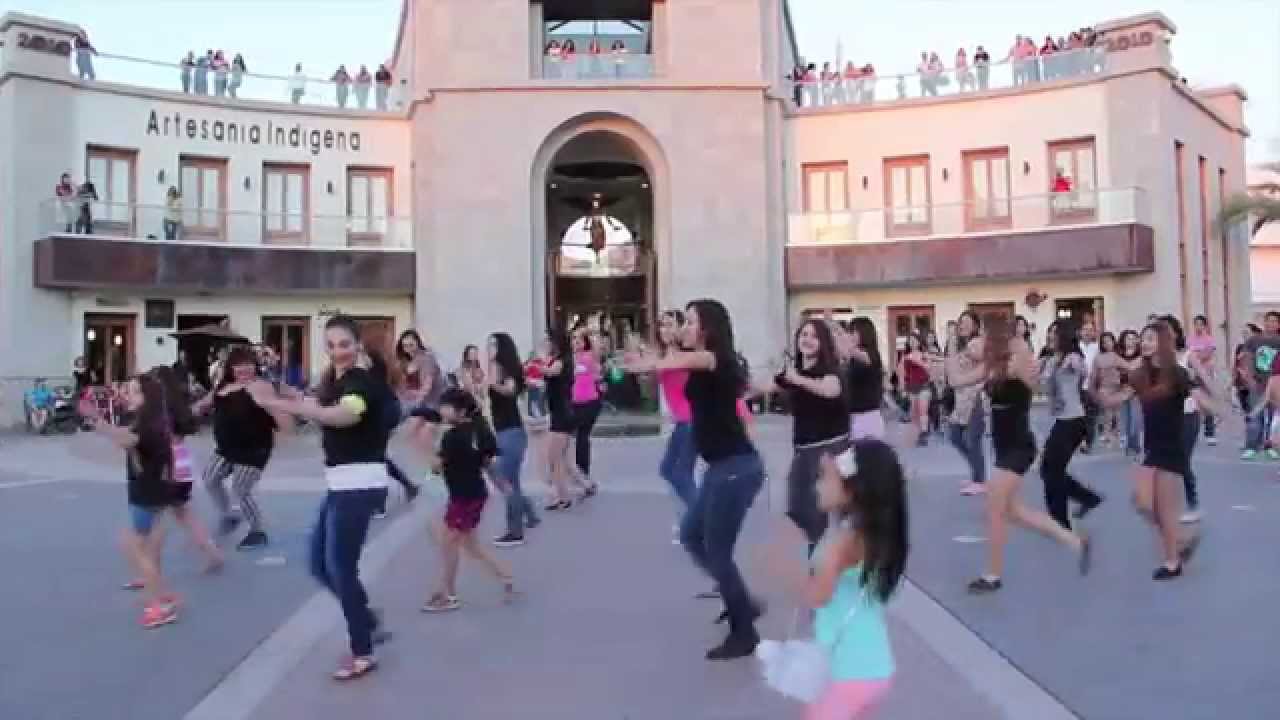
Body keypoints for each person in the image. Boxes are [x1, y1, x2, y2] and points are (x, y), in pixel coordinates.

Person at [254, 315, 393, 680]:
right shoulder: (337, 380)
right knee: (319, 564)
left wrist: (287, 404)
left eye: (344, 344)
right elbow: (311, 404)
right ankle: (365, 619)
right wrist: (275, 392)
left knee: (341, 568)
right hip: (340, 484)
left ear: (357, 345)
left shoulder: (360, 382)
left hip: (360, 484)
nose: (337, 351)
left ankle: (363, 650)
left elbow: (343, 415)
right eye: (330, 345)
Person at [627, 299, 766, 660]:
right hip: (721, 468)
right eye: (685, 322)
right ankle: (743, 602)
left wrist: (650, 362)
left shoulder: (714, 358)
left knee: (718, 553)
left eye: (690, 322)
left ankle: (744, 631)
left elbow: (686, 361)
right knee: (691, 534)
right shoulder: (701, 362)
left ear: (708, 328)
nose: (685, 328)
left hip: (736, 469)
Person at [769, 441, 907, 719]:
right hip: (872, 664)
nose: (817, 486)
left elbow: (817, 596)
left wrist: (787, 568)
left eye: (825, 477)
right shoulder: (869, 534)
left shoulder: (843, 542)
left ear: (851, 489)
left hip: (848, 670)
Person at [969, 317, 1092, 594]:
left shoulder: (1019, 355)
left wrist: (1007, 363)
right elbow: (961, 376)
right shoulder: (996, 363)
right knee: (1014, 512)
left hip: (1019, 445)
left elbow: (1028, 379)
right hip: (1003, 445)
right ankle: (1076, 542)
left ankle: (992, 575)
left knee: (995, 508)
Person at [1098, 321, 1218, 580]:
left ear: (1163, 342)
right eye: (1143, 338)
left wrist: (1217, 409)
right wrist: (1099, 394)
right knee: (1142, 503)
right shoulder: (1140, 375)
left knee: (1163, 508)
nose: (1145, 343)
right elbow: (1119, 398)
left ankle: (1172, 561)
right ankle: (1181, 540)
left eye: (1151, 338)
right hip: (1151, 445)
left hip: (1172, 444)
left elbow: (1198, 397)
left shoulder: (1176, 373)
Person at [80, 373, 178, 628]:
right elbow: (125, 439)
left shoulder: (147, 426)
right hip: (157, 492)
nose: (128, 395)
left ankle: (158, 606)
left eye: (134, 391)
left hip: (146, 494)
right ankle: (161, 594)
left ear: (148, 397)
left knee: (135, 547)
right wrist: (101, 423)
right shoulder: (151, 421)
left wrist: (97, 420)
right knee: (150, 549)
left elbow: (127, 439)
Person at [412, 387, 517, 612]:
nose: (441, 410)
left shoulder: (453, 436)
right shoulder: (477, 429)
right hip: (473, 494)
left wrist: (421, 442)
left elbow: (436, 467)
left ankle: (448, 594)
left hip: (464, 497)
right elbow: (487, 463)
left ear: (460, 411)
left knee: (449, 544)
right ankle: (505, 577)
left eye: (446, 407)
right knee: (469, 545)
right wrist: (501, 485)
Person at [757, 319, 848, 556]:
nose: (807, 340)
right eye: (804, 334)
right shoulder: (794, 371)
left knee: (820, 512)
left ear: (823, 343)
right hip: (804, 451)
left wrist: (797, 379)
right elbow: (763, 386)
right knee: (796, 507)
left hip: (830, 449)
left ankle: (823, 560)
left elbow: (830, 390)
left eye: (814, 336)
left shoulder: (829, 371)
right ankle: (821, 552)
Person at [193, 346, 287, 550]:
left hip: (253, 449)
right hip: (226, 448)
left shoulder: (260, 386)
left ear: (255, 366)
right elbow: (203, 404)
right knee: (210, 478)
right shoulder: (223, 386)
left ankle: (257, 531)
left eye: (248, 364)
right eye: (238, 365)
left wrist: (283, 418)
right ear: (230, 367)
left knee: (240, 489)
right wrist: (186, 414)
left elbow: (279, 411)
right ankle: (230, 515)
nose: (244, 369)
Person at [1038, 322, 1104, 530]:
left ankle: (1061, 520)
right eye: (1049, 333)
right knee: (1048, 469)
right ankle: (1087, 499)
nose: (1050, 336)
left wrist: (1076, 366)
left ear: (1064, 336)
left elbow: (1084, 373)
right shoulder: (1051, 360)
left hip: (1074, 421)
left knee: (1052, 471)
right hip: (1062, 419)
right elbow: (1042, 386)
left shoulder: (1072, 357)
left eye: (1054, 333)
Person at [486, 332, 540, 546]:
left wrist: (493, 384)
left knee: (507, 482)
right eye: (488, 344)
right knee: (510, 480)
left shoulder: (502, 368)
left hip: (511, 433)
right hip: (507, 431)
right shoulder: (499, 367)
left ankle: (515, 531)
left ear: (502, 348)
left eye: (493, 345)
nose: (489, 349)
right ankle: (530, 514)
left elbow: (510, 390)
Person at [362, 325, 421, 511]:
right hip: (389, 411)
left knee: (375, 457)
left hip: (383, 414)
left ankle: (380, 503)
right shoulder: (383, 364)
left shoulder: (376, 366)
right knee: (376, 456)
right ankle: (407, 487)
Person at [946, 312, 987, 495]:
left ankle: (980, 480)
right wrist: (952, 343)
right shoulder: (962, 345)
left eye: (965, 322)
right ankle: (976, 473)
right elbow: (951, 367)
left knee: (972, 440)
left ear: (975, 326)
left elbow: (982, 356)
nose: (961, 325)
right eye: (960, 322)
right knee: (955, 435)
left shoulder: (976, 343)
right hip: (961, 400)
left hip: (976, 398)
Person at [1237, 312, 1280, 460]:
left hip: (1275, 384)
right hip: (1257, 383)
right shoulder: (1254, 340)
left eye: (1275, 321)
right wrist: (1249, 378)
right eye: (1269, 321)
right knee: (1255, 415)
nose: (1271, 324)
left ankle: (1270, 446)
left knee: (1274, 417)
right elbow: (1246, 358)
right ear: (1264, 322)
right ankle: (1251, 446)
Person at [569, 329, 603, 496]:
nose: (576, 342)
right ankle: (578, 475)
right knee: (574, 438)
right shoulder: (568, 359)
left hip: (590, 403)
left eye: (580, 340)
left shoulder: (589, 356)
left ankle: (583, 474)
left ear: (585, 342)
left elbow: (597, 348)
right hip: (573, 404)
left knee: (582, 437)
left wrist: (587, 331)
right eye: (573, 339)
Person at [843, 317, 886, 440]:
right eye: (849, 332)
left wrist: (841, 337)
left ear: (864, 333)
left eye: (853, 332)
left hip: (867, 418)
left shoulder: (872, 354)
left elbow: (859, 355)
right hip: (853, 416)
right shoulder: (852, 359)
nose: (849, 335)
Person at [1090, 332, 1124, 449]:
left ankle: (1118, 435)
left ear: (1114, 341)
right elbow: (1094, 376)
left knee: (1118, 414)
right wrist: (1094, 390)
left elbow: (1127, 369)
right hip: (1105, 388)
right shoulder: (1099, 358)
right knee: (1107, 414)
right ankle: (1107, 436)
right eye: (1104, 342)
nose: (1107, 343)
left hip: (1118, 387)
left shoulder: (1119, 355)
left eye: (1109, 340)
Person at [1188, 315, 1218, 446]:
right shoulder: (1189, 339)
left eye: (1201, 324)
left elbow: (1208, 354)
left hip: (1205, 374)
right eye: (1196, 324)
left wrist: (1195, 358)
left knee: (1207, 404)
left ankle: (1210, 433)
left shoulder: (1209, 339)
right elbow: (1187, 355)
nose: (1198, 327)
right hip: (1192, 374)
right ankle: (1192, 431)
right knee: (1193, 404)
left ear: (1205, 326)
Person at [898, 334, 931, 447]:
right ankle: (918, 433)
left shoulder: (924, 354)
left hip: (924, 385)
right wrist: (902, 389)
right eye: (910, 340)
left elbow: (929, 368)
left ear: (919, 342)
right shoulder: (905, 356)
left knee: (922, 410)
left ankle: (924, 433)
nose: (912, 342)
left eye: (914, 340)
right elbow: (901, 373)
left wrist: (918, 361)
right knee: (914, 413)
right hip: (911, 387)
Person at [1117, 329, 1144, 457]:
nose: (1131, 341)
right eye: (1128, 338)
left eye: (1133, 338)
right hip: (1122, 389)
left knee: (1136, 418)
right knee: (1124, 418)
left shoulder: (1141, 356)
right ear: (1123, 340)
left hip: (1136, 390)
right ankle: (1127, 444)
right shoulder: (1119, 355)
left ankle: (1134, 444)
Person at [1078, 318, 1101, 453]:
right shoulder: (1075, 347)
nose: (1087, 332)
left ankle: (1088, 442)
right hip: (1078, 388)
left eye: (1090, 330)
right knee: (1079, 416)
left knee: (1091, 417)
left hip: (1093, 387)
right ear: (1080, 332)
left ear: (1094, 332)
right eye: (1085, 330)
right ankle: (1080, 440)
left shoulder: (1098, 348)